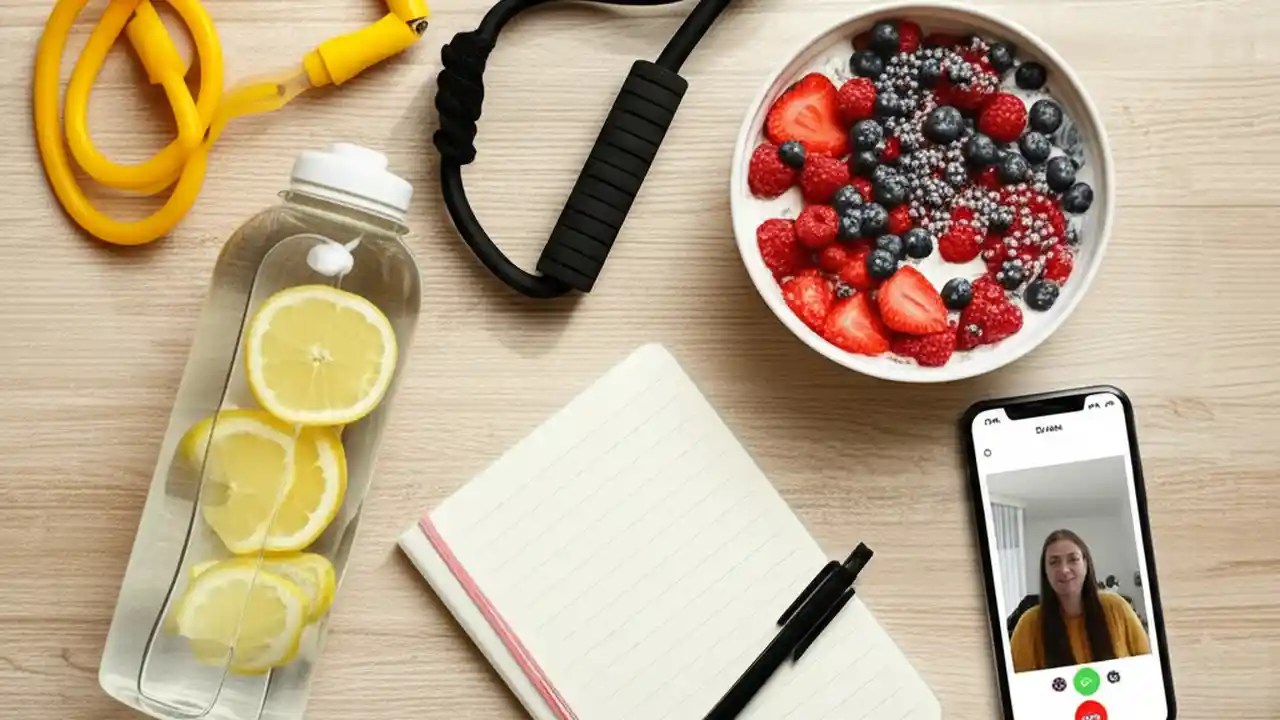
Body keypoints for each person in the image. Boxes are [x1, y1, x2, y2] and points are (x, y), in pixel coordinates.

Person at [1010, 529, 1150, 672]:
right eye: (1054, 562)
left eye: (1073, 559)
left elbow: (1147, 666)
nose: (1064, 569)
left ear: (1085, 563)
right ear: (1045, 571)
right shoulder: (1029, 624)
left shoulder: (1116, 607)